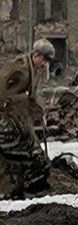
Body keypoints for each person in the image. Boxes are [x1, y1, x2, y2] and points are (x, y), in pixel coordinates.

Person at [0, 39, 55, 199]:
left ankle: (18, 189)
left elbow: (29, 98)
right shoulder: (20, 70)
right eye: (43, 59)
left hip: (15, 116)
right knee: (14, 150)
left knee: (29, 152)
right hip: (6, 117)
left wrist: (38, 113)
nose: (44, 64)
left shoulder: (31, 69)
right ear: (35, 55)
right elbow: (6, 96)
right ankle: (9, 191)